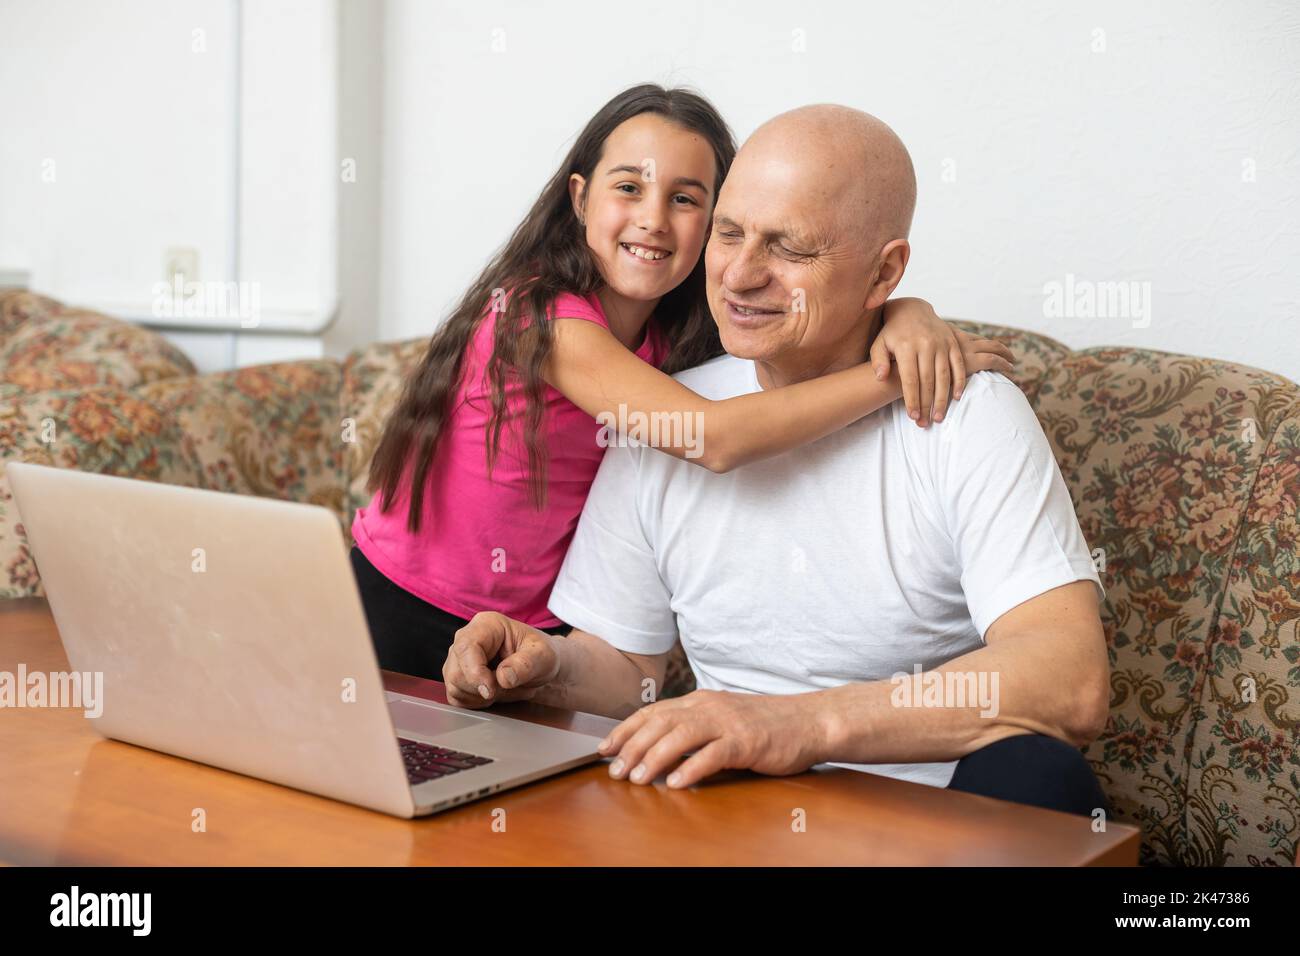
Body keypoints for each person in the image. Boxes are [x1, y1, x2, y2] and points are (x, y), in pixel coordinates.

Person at [441, 104, 1111, 818]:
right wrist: (546, 667)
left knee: (1043, 776)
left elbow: (1068, 680)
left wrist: (800, 724)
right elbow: (626, 669)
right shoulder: (664, 414)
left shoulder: (965, 412)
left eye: (789, 249)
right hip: (728, 805)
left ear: (883, 274)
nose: (740, 275)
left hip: (921, 811)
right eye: (727, 234)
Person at [349, 85, 1015, 681]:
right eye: (629, 188)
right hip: (401, 609)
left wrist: (905, 310)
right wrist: (890, 377)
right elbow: (714, 436)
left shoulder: (680, 335)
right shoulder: (537, 317)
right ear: (580, 198)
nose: (653, 219)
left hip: (534, 636)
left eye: (686, 199)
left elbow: (834, 306)